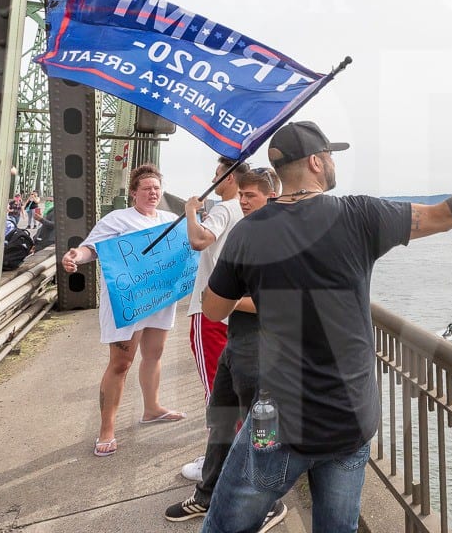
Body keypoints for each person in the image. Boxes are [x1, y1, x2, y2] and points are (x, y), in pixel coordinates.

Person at [200, 120, 452, 533]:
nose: (330, 162)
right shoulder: (358, 215)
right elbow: (443, 216)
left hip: (278, 425)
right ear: (315, 162)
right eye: (328, 156)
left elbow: (214, 311)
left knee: (224, 525)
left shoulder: (247, 233)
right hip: (351, 418)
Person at [167, 168, 288, 528]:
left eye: (252, 195)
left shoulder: (282, 239)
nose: (243, 200)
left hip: (265, 349)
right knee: (220, 421)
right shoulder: (246, 234)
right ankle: (208, 494)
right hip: (237, 345)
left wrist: (227, 300)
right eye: (243, 194)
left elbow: (280, 302)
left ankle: (269, 502)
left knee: (263, 430)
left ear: (273, 198)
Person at [61, 163, 186, 457]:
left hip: (160, 297)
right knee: (121, 363)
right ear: (133, 193)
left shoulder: (170, 218)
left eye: (156, 188)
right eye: (146, 189)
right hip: (128, 299)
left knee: (154, 354)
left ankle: (152, 409)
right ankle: (106, 429)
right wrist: (75, 256)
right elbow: (91, 248)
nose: (152, 193)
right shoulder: (118, 219)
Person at [178, 157, 251, 479]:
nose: (213, 179)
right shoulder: (248, 211)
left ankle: (218, 462)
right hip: (237, 310)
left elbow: (199, 241)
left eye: (218, 174)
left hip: (211, 307)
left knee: (215, 389)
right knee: (233, 387)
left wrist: (191, 213)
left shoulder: (225, 208)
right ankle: (234, 453)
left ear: (231, 178)